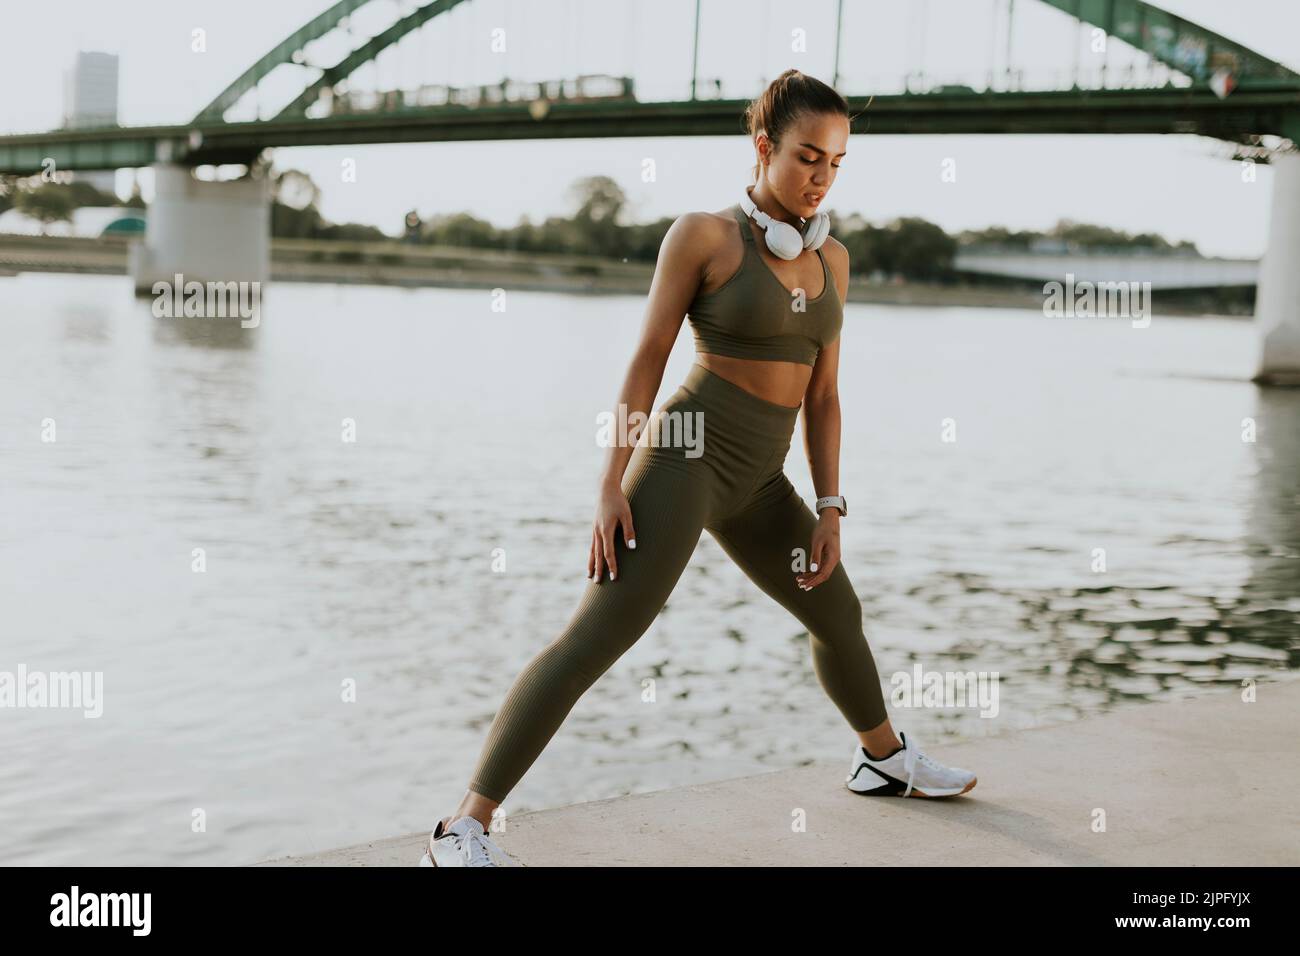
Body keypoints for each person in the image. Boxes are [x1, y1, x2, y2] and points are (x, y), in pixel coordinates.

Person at [422, 69, 976, 868]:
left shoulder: (835, 262)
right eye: (806, 157)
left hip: (760, 480)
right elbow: (648, 357)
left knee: (837, 615)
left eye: (835, 163)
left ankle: (883, 759)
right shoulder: (705, 236)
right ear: (763, 148)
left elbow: (824, 397)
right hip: (684, 455)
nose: (820, 177)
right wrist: (611, 482)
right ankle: (461, 830)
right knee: (599, 633)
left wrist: (830, 505)